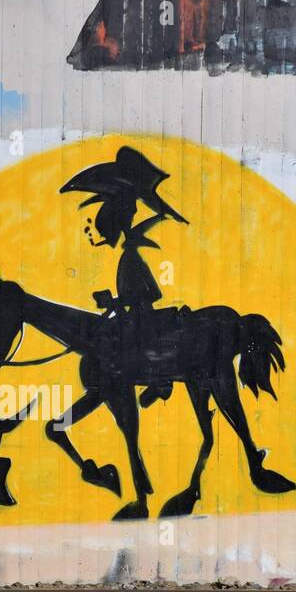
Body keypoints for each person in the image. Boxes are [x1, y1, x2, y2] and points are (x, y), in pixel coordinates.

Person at [60, 146, 188, 406]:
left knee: (122, 341)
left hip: (142, 317)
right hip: (136, 314)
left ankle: (158, 380)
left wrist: (117, 303)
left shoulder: (132, 253)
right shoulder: (128, 252)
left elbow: (151, 294)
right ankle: (153, 380)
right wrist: (116, 302)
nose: (130, 213)